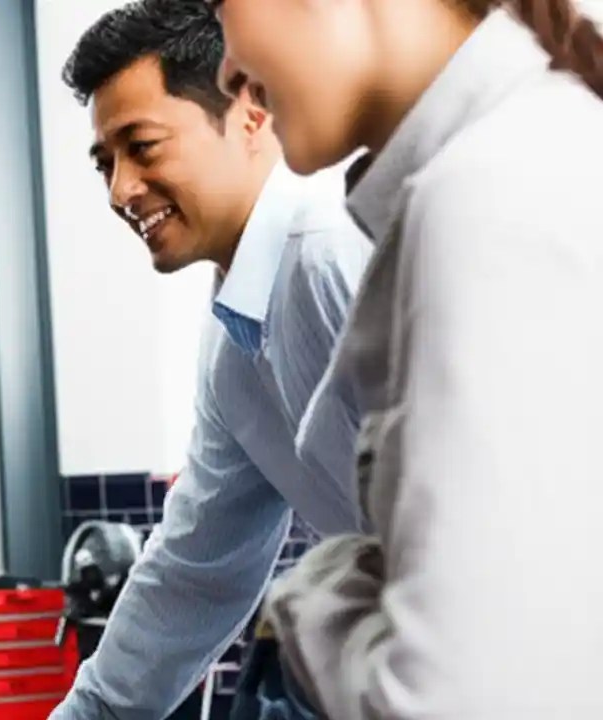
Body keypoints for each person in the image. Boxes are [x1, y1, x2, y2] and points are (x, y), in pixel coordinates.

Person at [213, 0, 603, 717]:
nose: (228, 68)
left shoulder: (490, 196)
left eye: (220, 5)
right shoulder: (527, 153)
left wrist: (318, 588)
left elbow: (465, 702)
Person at [47, 2, 373, 719]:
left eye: (144, 146)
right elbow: (194, 572)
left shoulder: (329, 252)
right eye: (106, 162)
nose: (120, 189)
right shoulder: (234, 336)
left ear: (252, 111)